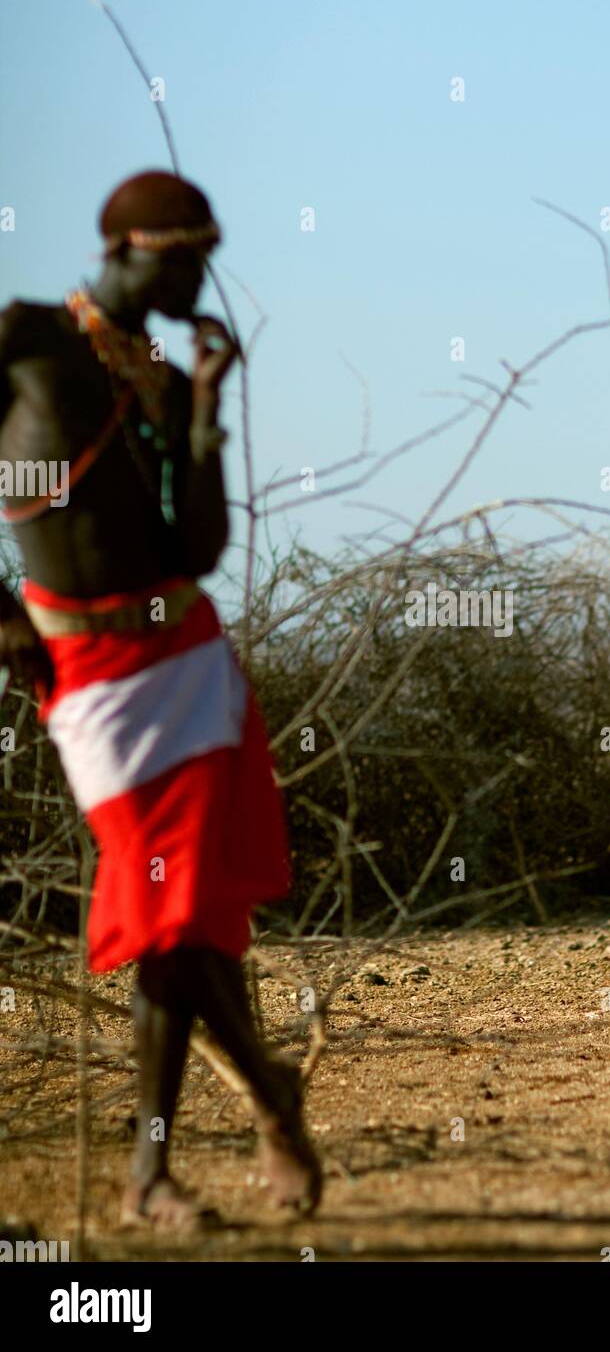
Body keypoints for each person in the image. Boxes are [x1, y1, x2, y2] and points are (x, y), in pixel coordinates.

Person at [0, 170, 322, 1228]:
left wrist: (206, 404)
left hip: (184, 657)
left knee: (177, 923)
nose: (202, 277)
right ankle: (269, 1093)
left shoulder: (156, 369)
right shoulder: (28, 338)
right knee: (169, 917)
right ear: (135, 246)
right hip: (85, 675)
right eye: (191, 255)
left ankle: (148, 1177)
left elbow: (199, 546)